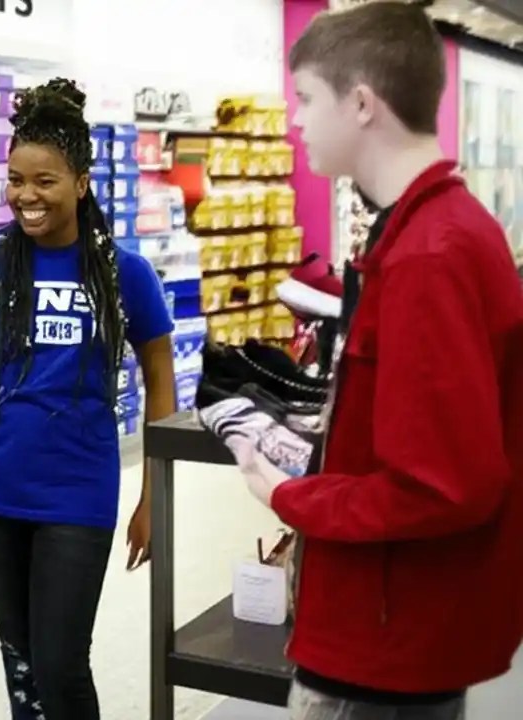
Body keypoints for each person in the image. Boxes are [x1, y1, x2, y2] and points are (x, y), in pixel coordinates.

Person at [232, 4, 523, 719]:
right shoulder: (432, 234)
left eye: (306, 98)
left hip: (380, 649)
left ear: (361, 103)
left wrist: (287, 493)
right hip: (392, 630)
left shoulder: (431, 254)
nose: (295, 119)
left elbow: (445, 487)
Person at [0, 78, 178, 719]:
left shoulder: (123, 273)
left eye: (44, 181)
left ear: (81, 183)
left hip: (78, 493)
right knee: (22, 664)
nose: (26, 196)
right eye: (15, 180)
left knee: (61, 666)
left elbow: (160, 379)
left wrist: (155, 496)